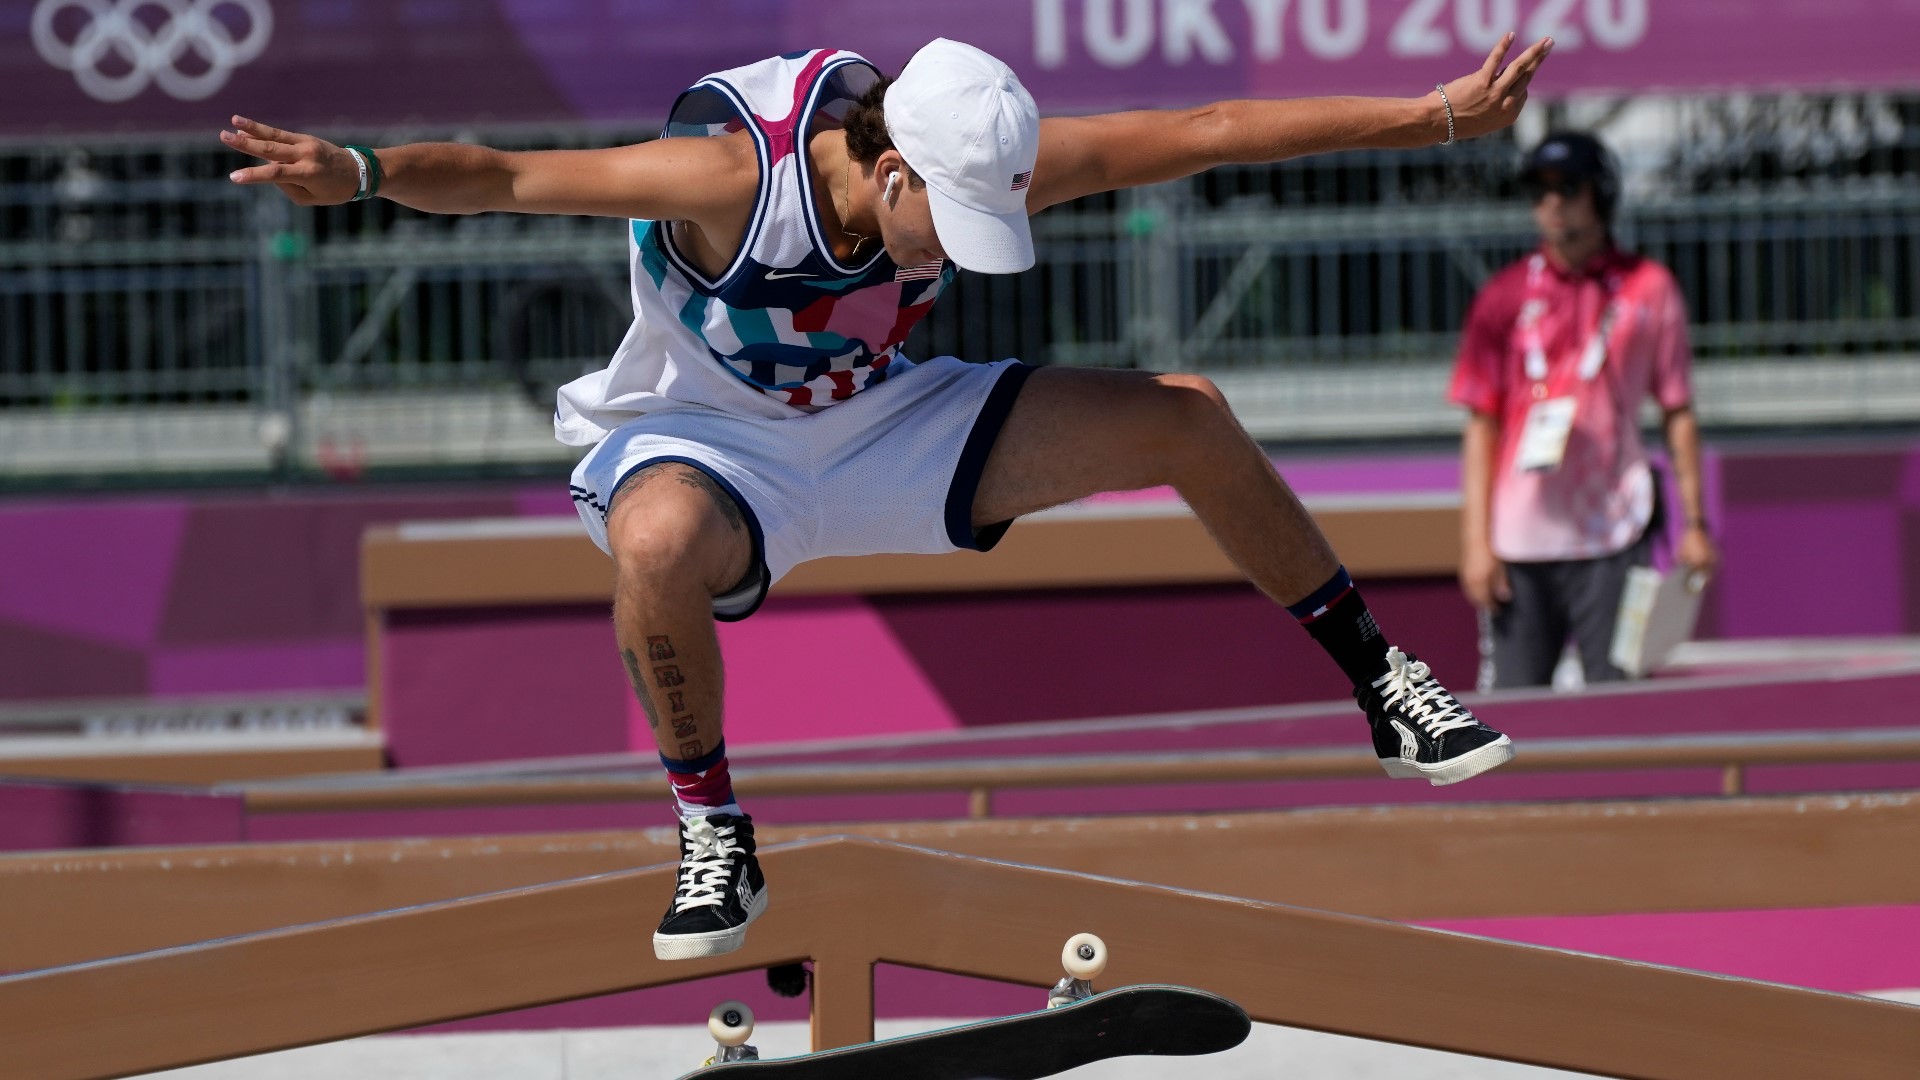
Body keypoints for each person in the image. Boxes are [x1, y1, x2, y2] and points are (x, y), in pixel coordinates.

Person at [224, 33, 1552, 961]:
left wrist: (1435, 116)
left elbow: (1205, 136)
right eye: (952, 226)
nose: (962, 253)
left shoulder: (968, 143)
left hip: (883, 421)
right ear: (894, 172)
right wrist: (361, 170)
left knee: (1187, 419)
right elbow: (510, 178)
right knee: (656, 544)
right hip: (709, 434)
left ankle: (1385, 687)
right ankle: (713, 832)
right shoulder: (725, 178)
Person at [1451, 131, 1719, 690]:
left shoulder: (1649, 289)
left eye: (1567, 188)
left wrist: (1695, 523)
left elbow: (1677, 409)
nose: (1551, 203)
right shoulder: (1501, 297)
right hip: (1521, 536)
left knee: (1619, 701)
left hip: (1615, 528)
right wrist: (1476, 543)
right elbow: (1482, 426)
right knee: (1511, 715)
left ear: (1601, 194)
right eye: (1538, 190)